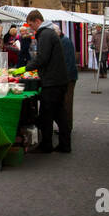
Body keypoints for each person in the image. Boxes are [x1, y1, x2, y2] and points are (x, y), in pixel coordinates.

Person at [25, 9, 71, 153]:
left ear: (38, 21)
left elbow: (42, 58)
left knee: (47, 114)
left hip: (52, 82)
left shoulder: (45, 34)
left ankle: (47, 145)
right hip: (58, 80)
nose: (31, 29)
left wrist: (26, 68)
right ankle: (64, 144)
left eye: (31, 25)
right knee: (58, 113)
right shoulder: (49, 33)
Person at [58, 26, 78, 134]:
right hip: (68, 76)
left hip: (69, 78)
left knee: (67, 103)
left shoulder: (64, 42)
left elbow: (67, 61)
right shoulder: (64, 40)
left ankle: (67, 128)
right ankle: (66, 127)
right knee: (66, 103)